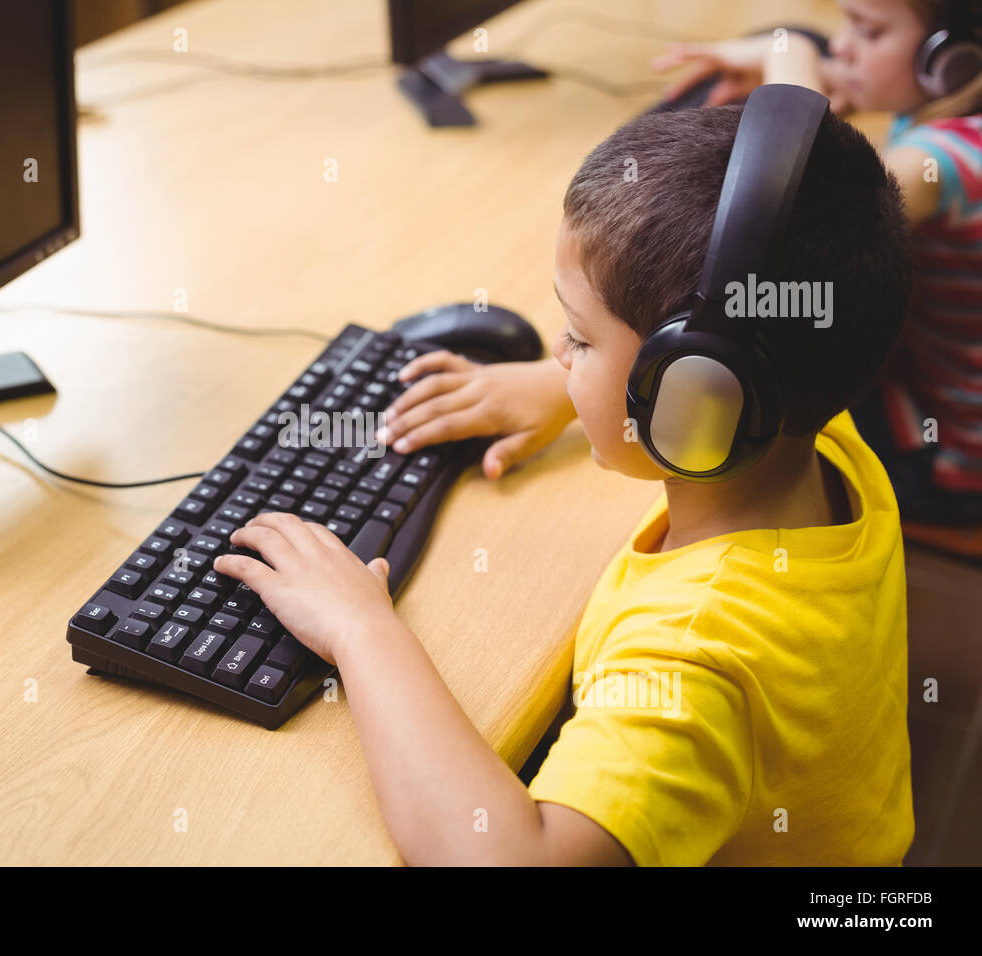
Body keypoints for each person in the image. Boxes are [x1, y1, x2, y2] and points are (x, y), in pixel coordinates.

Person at [213, 97, 916, 865]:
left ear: (691, 399)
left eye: (577, 338)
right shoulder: (818, 428)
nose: (558, 349)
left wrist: (361, 629)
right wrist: (564, 387)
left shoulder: (696, 654)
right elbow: (747, 354)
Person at [654, 1, 982, 541]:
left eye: (869, 30)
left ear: (951, 56)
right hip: (932, 396)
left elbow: (804, 202)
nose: (841, 46)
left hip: (949, 463)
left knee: (765, 326)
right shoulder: (945, 113)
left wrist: (789, 52)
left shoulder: (947, 158)